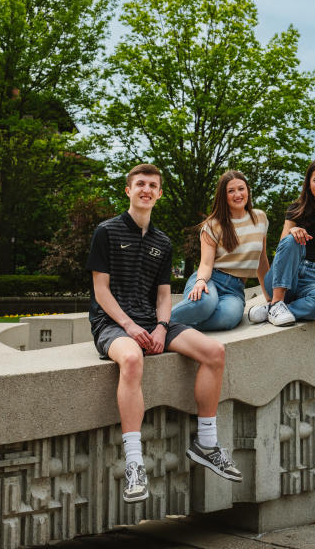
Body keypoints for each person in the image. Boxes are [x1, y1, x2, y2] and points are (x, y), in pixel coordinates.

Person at [88, 163, 242, 503]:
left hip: (149, 320)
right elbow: (101, 290)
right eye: (140, 184)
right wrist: (128, 325)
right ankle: (134, 464)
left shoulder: (162, 241)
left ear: (159, 193)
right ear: (128, 190)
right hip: (112, 323)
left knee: (215, 353)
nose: (146, 189)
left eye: (152, 185)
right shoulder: (107, 232)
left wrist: (160, 327)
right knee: (131, 360)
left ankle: (206, 443)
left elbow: (162, 296)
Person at [248, 159, 315, 326]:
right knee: (292, 239)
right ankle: (277, 302)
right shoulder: (296, 208)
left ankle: (273, 309)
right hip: (284, 276)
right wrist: (292, 231)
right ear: (308, 183)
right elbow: (282, 250)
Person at [171, 170, 269, 331]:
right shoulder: (212, 225)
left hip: (234, 290)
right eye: (231, 191)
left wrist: (271, 298)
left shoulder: (260, 218)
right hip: (211, 279)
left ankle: (174, 327)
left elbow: (263, 262)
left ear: (248, 190)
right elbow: (206, 263)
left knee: (228, 318)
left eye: (241, 188)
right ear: (223, 196)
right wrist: (201, 281)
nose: (237, 194)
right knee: (204, 304)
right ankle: (156, 325)